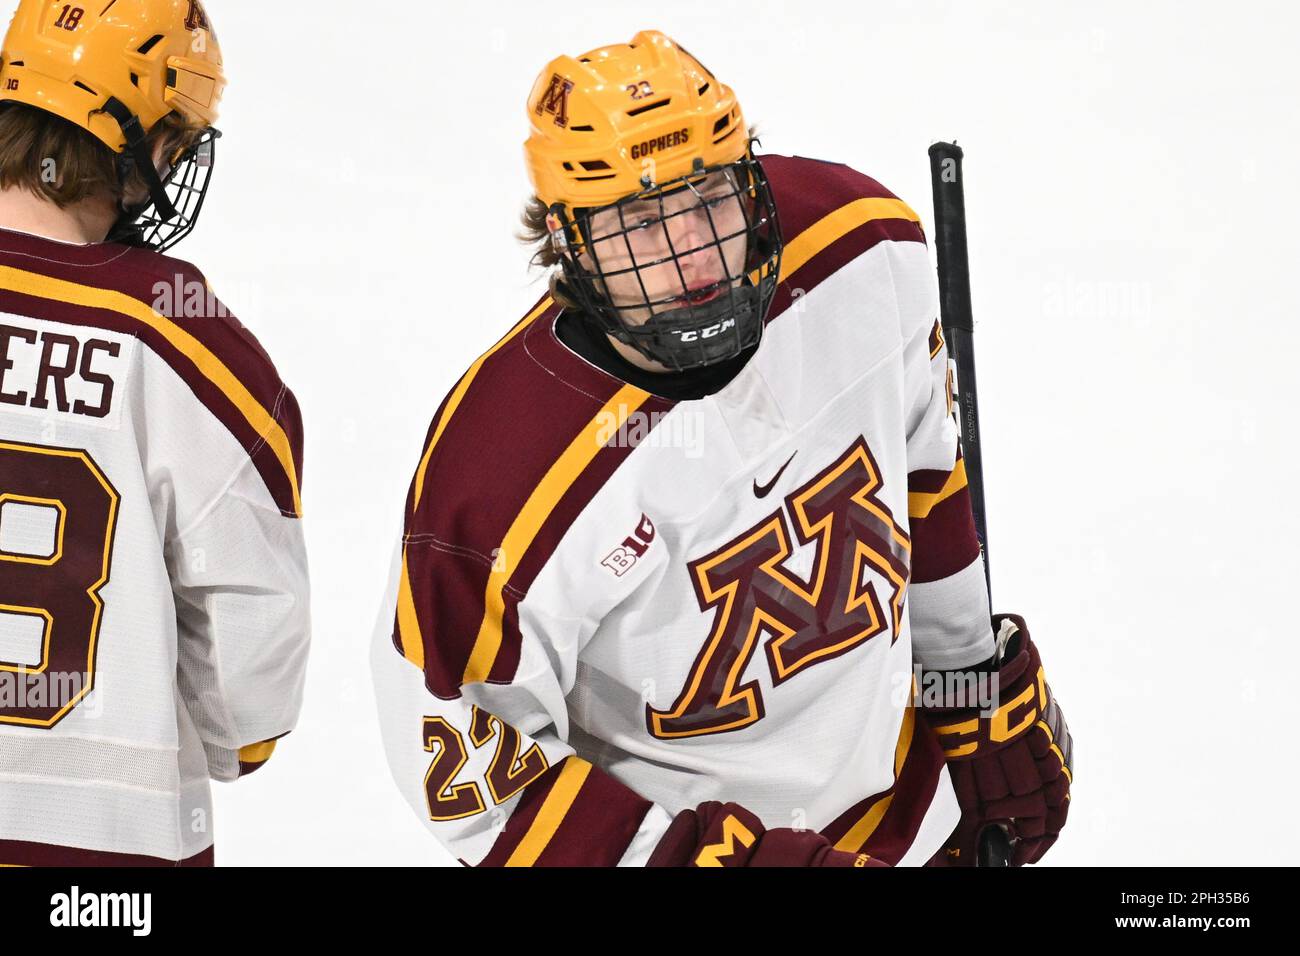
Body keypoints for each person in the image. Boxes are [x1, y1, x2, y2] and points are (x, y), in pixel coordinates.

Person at [371, 29, 1071, 867]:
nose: (693, 257)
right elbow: (481, 787)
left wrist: (965, 680)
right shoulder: (493, 477)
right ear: (568, 242)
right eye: (639, 225)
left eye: (710, 201)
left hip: (906, 825)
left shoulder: (863, 249)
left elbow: (924, 465)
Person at [0, 0, 309, 866]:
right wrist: (237, 736)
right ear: (129, 139)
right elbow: (251, 619)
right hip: (100, 851)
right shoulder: (177, 330)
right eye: (172, 137)